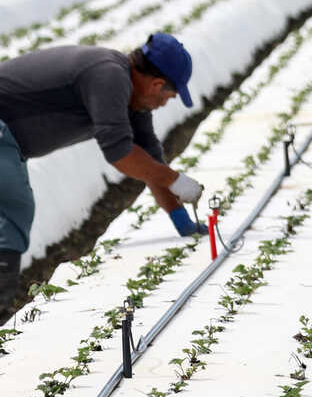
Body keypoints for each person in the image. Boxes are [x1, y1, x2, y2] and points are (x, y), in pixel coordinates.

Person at [0, 33, 206, 306]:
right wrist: (176, 180)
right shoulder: (109, 76)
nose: (164, 104)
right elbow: (119, 153)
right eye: (169, 96)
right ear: (157, 84)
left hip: (9, 140)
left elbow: (152, 164)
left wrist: (182, 221)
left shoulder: (131, 99)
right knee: (14, 208)